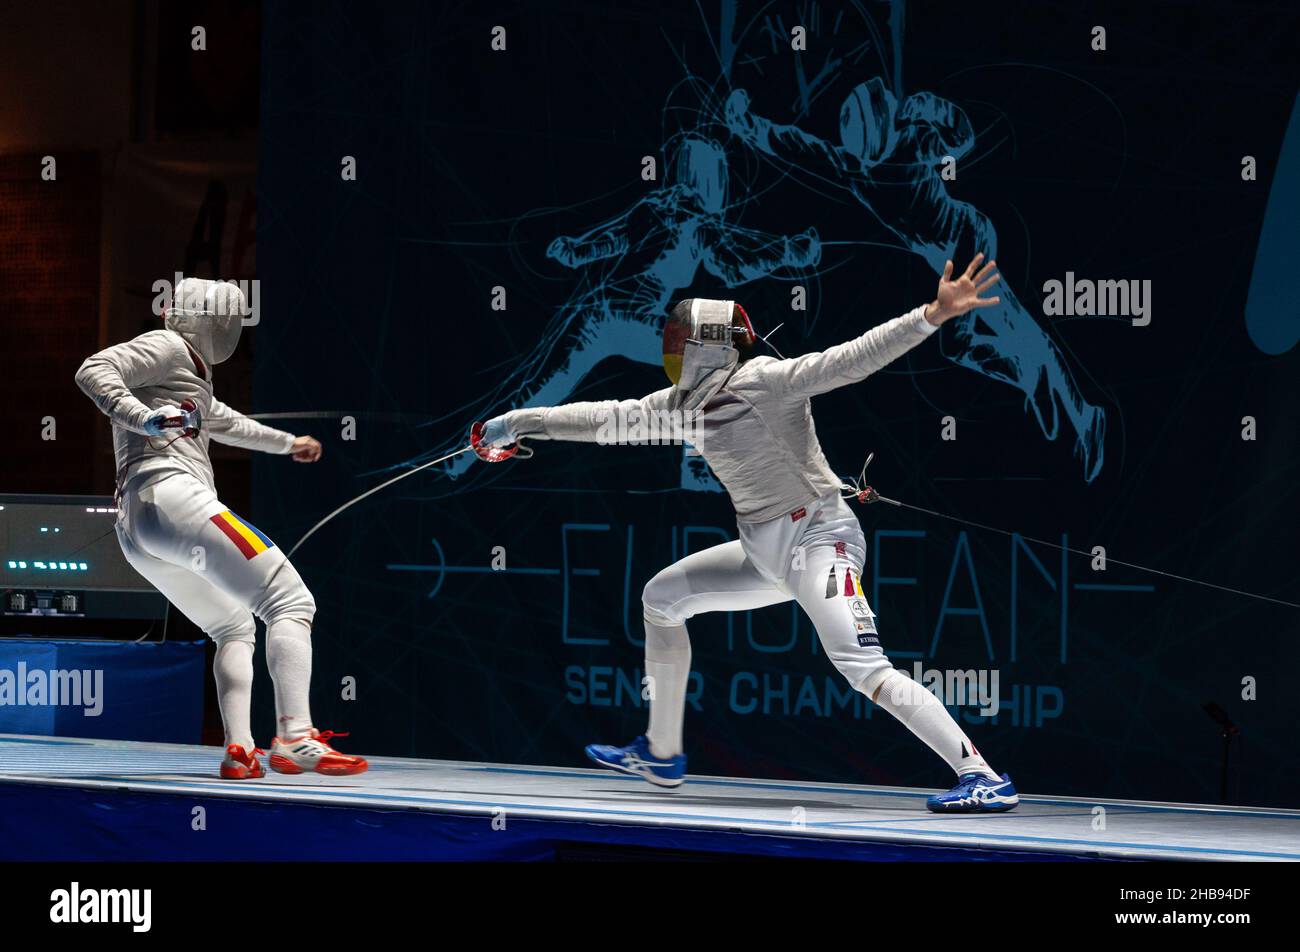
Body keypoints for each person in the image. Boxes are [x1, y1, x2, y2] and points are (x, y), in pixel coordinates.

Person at [482, 255, 1017, 812]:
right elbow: (601, 420)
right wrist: (520, 421)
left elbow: (852, 359)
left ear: (703, 346)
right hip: (765, 554)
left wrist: (932, 314)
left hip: (820, 540)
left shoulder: (768, 380)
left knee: (861, 666)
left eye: (676, 341)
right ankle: (662, 755)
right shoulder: (679, 408)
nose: (667, 352)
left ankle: (980, 775)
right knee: (661, 599)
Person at [75, 277, 367, 780]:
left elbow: (230, 424)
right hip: (173, 499)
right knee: (291, 602)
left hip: (140, 531)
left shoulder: (191, 377)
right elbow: (94, 369)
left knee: (233, 625)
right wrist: (144, 419)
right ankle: (295, 737)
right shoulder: (166, 346)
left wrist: (287, 443)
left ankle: (240, 750)